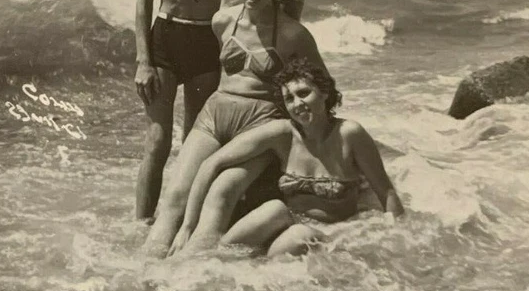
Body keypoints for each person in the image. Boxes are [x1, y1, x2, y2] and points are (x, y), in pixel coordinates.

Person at [141, 0, 326, 257]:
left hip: (261, 122)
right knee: (175, 196)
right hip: (215, 115)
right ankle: (143, 268)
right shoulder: (223, 21)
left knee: (222, 193)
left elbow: (321, 85)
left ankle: (187, 272)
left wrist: (311, 140)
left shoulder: (293, 34)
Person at [171, 57, 405, 257]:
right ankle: (203, 270)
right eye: (289, 98)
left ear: (324, 93)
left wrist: (396, 241)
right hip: (287, 224)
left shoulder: (349, 134)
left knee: (297, 235)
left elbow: (386, 192)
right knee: (271, 212)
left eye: (304, 93)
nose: (297, 104)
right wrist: (187, 227)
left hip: (334, 234)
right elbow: (212, 163)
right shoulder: (283, 133)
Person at [134, 0, 248, 223]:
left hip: (207, 42)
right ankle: (140, 222)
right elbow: (143, 2)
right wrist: (143, 60)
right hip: (166, 38)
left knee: (195, 143)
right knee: (157, 142)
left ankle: (182, 221)